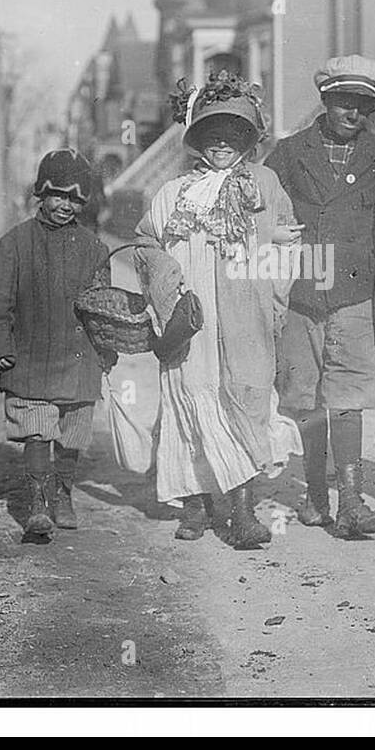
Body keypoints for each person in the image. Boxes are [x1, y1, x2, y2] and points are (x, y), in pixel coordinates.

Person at [132, 72, 299, 549]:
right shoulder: (173, 195)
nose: (222, 143)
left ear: (248, 138)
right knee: (189, 395)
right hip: (192, 321)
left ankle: (242, 510)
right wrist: (167, 285)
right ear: (197, 140)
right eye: (212, 134)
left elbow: (288, 242)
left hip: (245, 315)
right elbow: (146, 245)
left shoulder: (262, 185)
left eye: (234, 133)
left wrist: (274, 295)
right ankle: (195, 501)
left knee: (241, 399)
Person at [265, 55, 375, 537]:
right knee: (305, 397)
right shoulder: (288, 154)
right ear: (325, 101)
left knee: (347, 394)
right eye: (343, 103)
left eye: (362, 106)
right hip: (301, 293)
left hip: (355, 294)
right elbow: (256, 208)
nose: (353, 114)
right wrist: (272, 233)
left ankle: (350, 500)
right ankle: (313, 496)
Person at [0, 149, 114, 542]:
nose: (65, 206)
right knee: (37, 429)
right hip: (32, 353)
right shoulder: (15, 243)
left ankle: (63, 494)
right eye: (57, 195)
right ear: (41, 193)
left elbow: (102, 306)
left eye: (74, 199)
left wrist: (107, 348)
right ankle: (38, 503)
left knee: (72, 432)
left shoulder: (93, 248)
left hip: (77, 355)